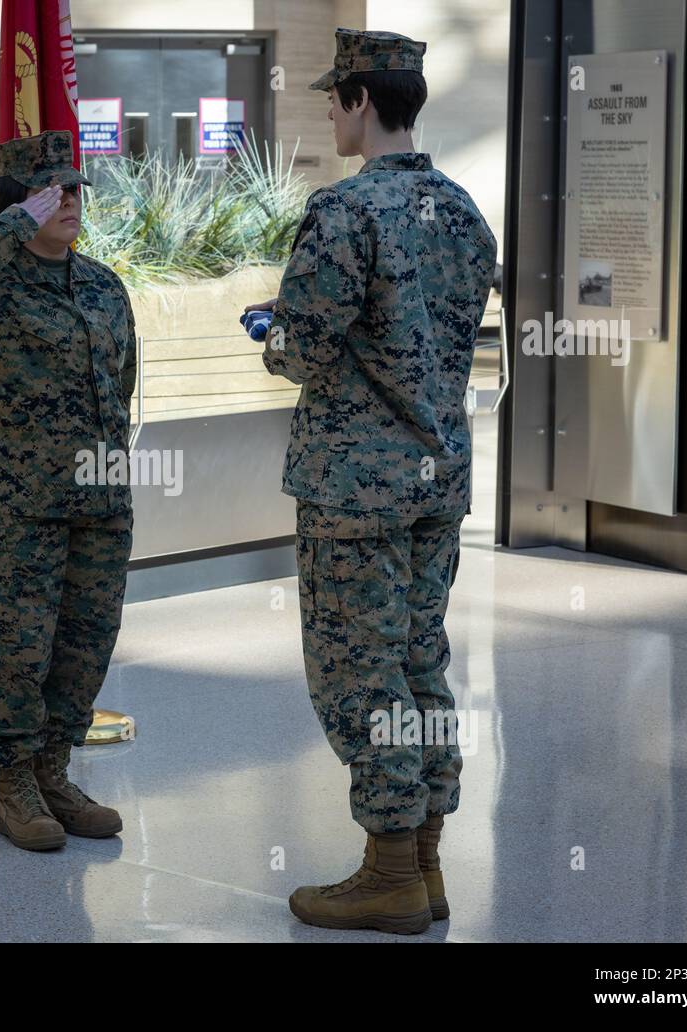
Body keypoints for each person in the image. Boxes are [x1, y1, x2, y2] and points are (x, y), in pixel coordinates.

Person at [248, 29, 498, 932]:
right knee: (420, 656)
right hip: (438, 478)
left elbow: (303, 350)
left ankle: (389, 870)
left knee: (360, 673)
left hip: (358, 485)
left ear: (360, 100)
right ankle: (425, 862)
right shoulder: (464, 213)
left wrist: (271, 332)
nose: (328, 112)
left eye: (332, 97)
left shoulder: (344, 214)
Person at [0, 130, 137, 852]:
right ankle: (14, 785)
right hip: (11, 506)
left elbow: (119, 386)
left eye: (76, 189)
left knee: (84, 647)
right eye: (54, 191)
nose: (72, 202)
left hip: (97, 505)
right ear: (20, 200)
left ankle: (54, 774)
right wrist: (13, 222)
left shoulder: (102, 284)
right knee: (17, 648)